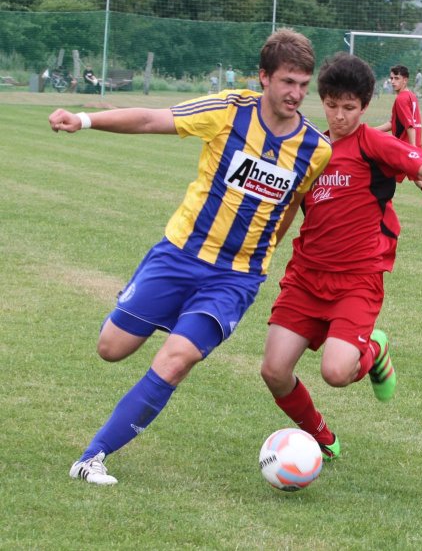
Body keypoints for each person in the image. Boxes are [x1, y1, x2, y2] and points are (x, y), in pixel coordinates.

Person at [48, 28, 332, 485]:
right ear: (263, 77)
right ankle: (143, 306)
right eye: (287, 82)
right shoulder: (228, 110)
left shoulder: (315, 148)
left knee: (177, 359)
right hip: (179, 255)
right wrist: (83, 119)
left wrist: (264, 257)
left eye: (304, 83)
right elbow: (149, 119)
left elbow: (292, 206)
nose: (297, 93)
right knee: (111, 348)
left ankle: (93, 456)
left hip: (236, 278)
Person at [260, 52, 422, 459]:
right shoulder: (309, 148)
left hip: (357, 279)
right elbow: (287, 210)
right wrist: (261, 255)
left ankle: (375, 350)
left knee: (336, 373)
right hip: (305, 277)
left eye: (349, 108)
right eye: (331, 106)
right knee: (274, 372)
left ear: (365, 106)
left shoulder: (373, 143)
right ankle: (321, 436)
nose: (339, 117)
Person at [376, 64, 422, 224]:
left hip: (403, 149)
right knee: (419, 179)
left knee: (381, 177)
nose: (393, 81)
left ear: (405, 80)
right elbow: (392, 123)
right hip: (410, 146)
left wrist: (414, 150)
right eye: (391, 78)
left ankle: (381, 216)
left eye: (397, 78)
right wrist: (370, 131)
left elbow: (409, 125)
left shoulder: (401, 98)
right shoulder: (410, 96)